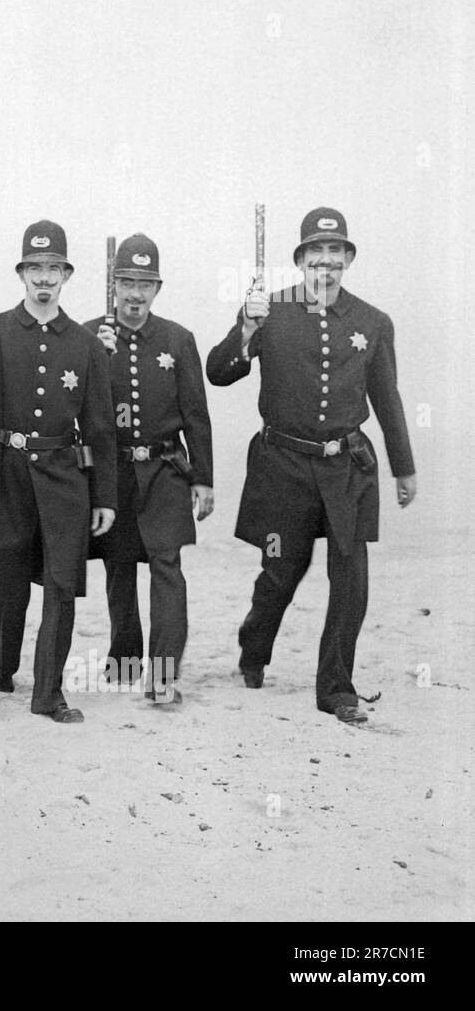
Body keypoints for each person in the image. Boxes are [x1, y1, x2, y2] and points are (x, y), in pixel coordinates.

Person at [206, 207, 417, 725]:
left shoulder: (373, 322)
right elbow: (218, 372)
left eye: (335, 254)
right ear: (300, 261)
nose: (326, 265)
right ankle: (254, 649)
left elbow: (387, 399)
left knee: (352, 578)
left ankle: (336, 689)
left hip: (348, 469)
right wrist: (245, 329)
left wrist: (403, 467)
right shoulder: (269, 310)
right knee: (281, 572)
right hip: (284, 468)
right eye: (315, 255)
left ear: (347, 259)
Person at [0, 219, 116, 722]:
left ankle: (48, 694)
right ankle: (3, 666)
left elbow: (101, 426)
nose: (43, 277)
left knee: (61, 583)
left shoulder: (86, 344)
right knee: (6, 581)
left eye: (53, 268)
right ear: (21, 273)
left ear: (66, 275)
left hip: (64, 474)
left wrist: (104, 496)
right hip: (5, 469)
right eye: (34, 268)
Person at [86, 233, 213, 704]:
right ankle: (125, 657)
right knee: (118, 567)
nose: (135, 293)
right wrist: (94, 356)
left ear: (157, 287)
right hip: (112, 472)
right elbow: (79, 410)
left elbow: (196, 413)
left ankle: (162, 674)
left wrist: (203, 478)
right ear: (113, 283)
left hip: (165, 470)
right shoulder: (89, 336)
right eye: (126, 282)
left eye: (145, 283)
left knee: (166, 564)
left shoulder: (178, 340)